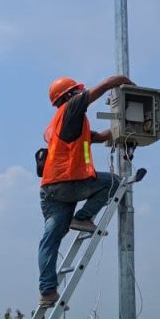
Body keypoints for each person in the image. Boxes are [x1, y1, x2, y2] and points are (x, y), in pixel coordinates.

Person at [37, 74, 135, 307]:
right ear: (69, 96)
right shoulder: (71, 109)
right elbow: (101, 87)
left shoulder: (62, 124)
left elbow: (99, 137)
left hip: (50, 189)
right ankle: (83, 217)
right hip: (67, 182)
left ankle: (47, 292)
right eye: (77, 92)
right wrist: (123, 82)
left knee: (50, 240)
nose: (81, 94)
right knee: (113, 182)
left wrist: (123, 129)